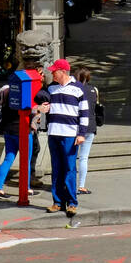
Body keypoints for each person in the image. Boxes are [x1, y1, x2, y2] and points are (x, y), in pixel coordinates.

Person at [0, 69, 50, 199]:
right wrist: (39, 122)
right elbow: (38, 117)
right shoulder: (37, 93)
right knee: (26, 161)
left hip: (8, 130)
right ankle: (26, 188)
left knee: (8, 158)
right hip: (23, 130)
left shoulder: (6, 91)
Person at [45, 59, 88, 216]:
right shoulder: (51, 89)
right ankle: (57, 201)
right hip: (54, 133)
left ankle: (71, 202)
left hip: (70, 134)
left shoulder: (78, 89)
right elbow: (39, 100)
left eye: (54, 71)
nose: (52, 73)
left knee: (69, 168)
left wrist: (81, 134)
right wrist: (41, 108)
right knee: (56, 168)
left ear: (62, 72)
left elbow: (84, 113)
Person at [74, 67, 99, 195]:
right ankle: (81, 185)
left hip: (76, 126)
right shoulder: (94, 90)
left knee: (71, 157)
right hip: (91, 125)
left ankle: (70, 184)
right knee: (84, 158)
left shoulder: (75, 89)